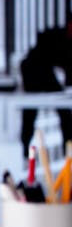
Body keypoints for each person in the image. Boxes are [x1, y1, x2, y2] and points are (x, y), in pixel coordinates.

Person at [19, 23, 72, 159]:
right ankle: (24, 148)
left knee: (64, 112)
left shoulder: (62, 37)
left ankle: (68, 147)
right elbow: (66, 63)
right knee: (30, 112)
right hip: (34, 70)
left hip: (42, 70)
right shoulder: (56, 35)